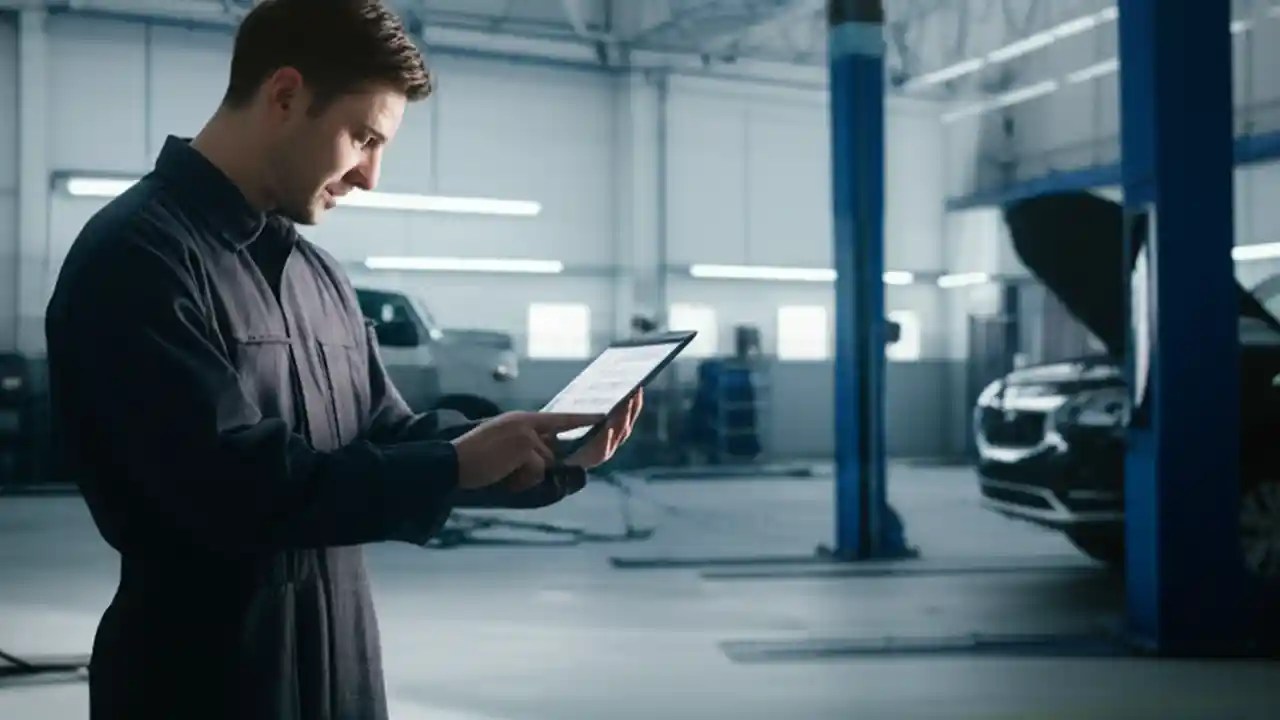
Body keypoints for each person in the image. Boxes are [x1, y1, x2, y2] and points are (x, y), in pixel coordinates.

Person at [43, 1, 643, 718]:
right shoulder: (137, 259)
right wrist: (454, 463)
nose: (370, 177)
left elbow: (386, 440)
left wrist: (539, 454)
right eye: (362, 137)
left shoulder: (320, 278)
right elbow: (230, 489)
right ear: (286, 95)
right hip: (203, 684)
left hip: (342, 672)